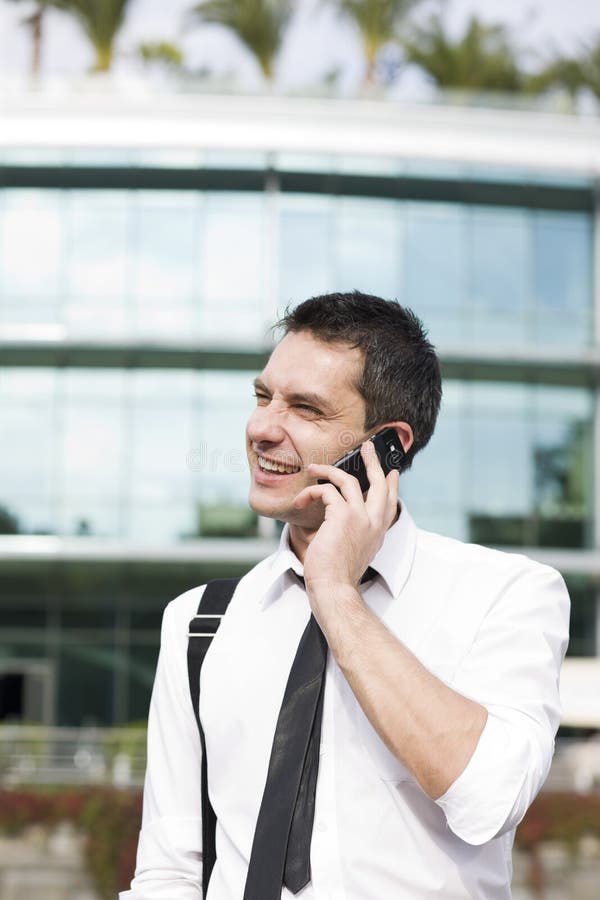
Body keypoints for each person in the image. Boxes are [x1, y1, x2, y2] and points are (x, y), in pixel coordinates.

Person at [121, 291, 569, 900]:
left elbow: (490, 799)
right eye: (262, 396)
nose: (261, 428)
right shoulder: (199, 622)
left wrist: (335, 593)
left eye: (305, 408)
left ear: (388, 444)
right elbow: (169, 870)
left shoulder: (507, 594)